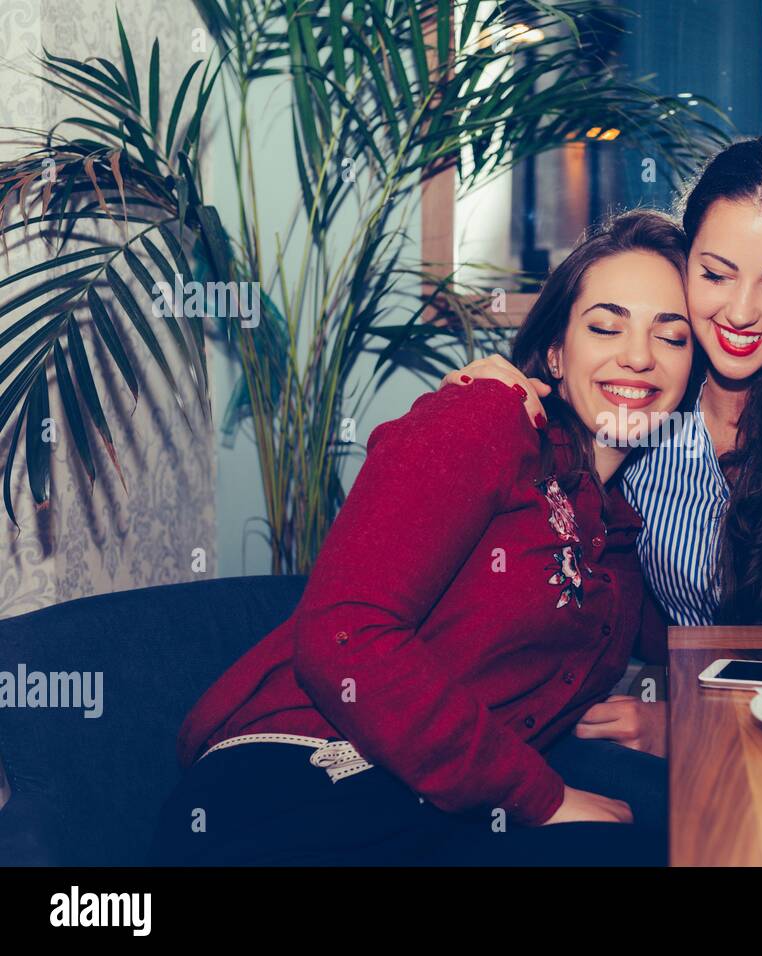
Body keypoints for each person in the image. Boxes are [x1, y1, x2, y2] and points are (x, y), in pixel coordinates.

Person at [149, 210, 694, 867]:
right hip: (304, 779)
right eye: (605, 326)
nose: (638, 355)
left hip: (450, 813)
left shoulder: (622, 539)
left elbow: (725, 643)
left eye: (673, 337)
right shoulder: (487, 417)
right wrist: (543, 800)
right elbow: (344, 633)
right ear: (555, 351)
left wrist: (679, 722)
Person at [445, 138, 762, 631]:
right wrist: (485, 401)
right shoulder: (647, 390)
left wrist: (691, 709)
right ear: (686, 262)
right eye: (715, 274)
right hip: (688, 701)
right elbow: (552, 564)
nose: (741, 312)